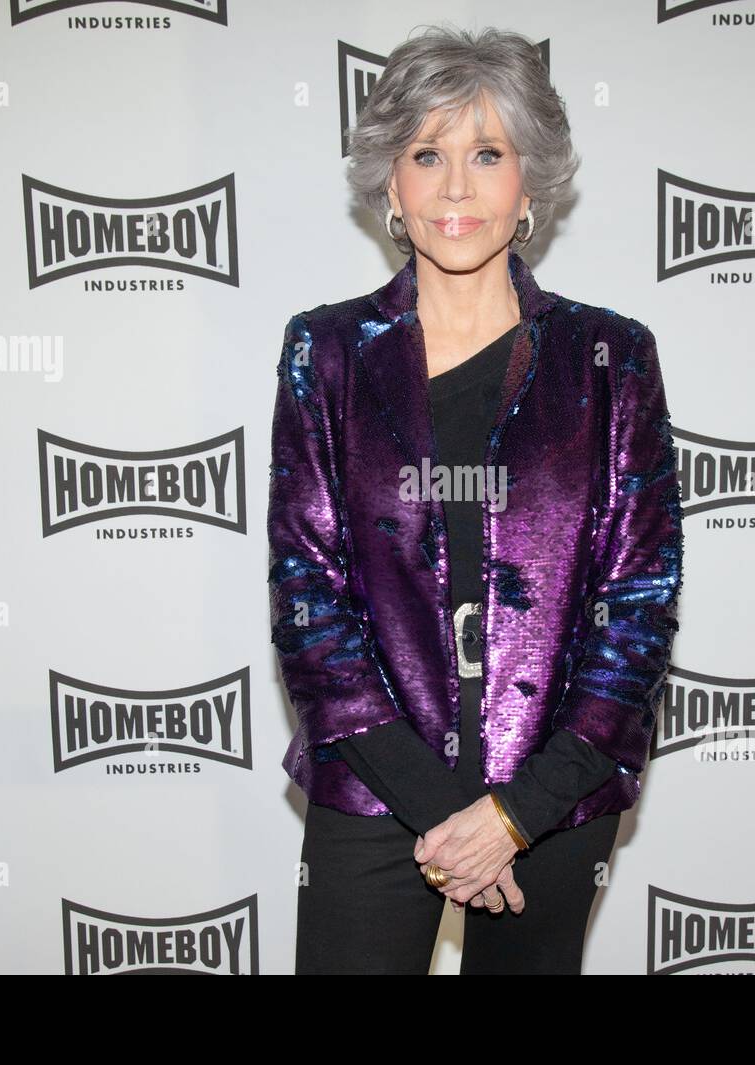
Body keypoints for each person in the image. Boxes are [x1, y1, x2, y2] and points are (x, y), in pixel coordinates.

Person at [267, 24, 684, 974]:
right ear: (391, 186)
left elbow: (638, 605)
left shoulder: (609, 358)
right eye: (428, 154)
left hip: (551, 800)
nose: (456, 186)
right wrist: (444, 813)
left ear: (529, 182)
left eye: (486, 154)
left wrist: (512, 814)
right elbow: (308, 597)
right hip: (374, 789)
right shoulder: (325, 353)